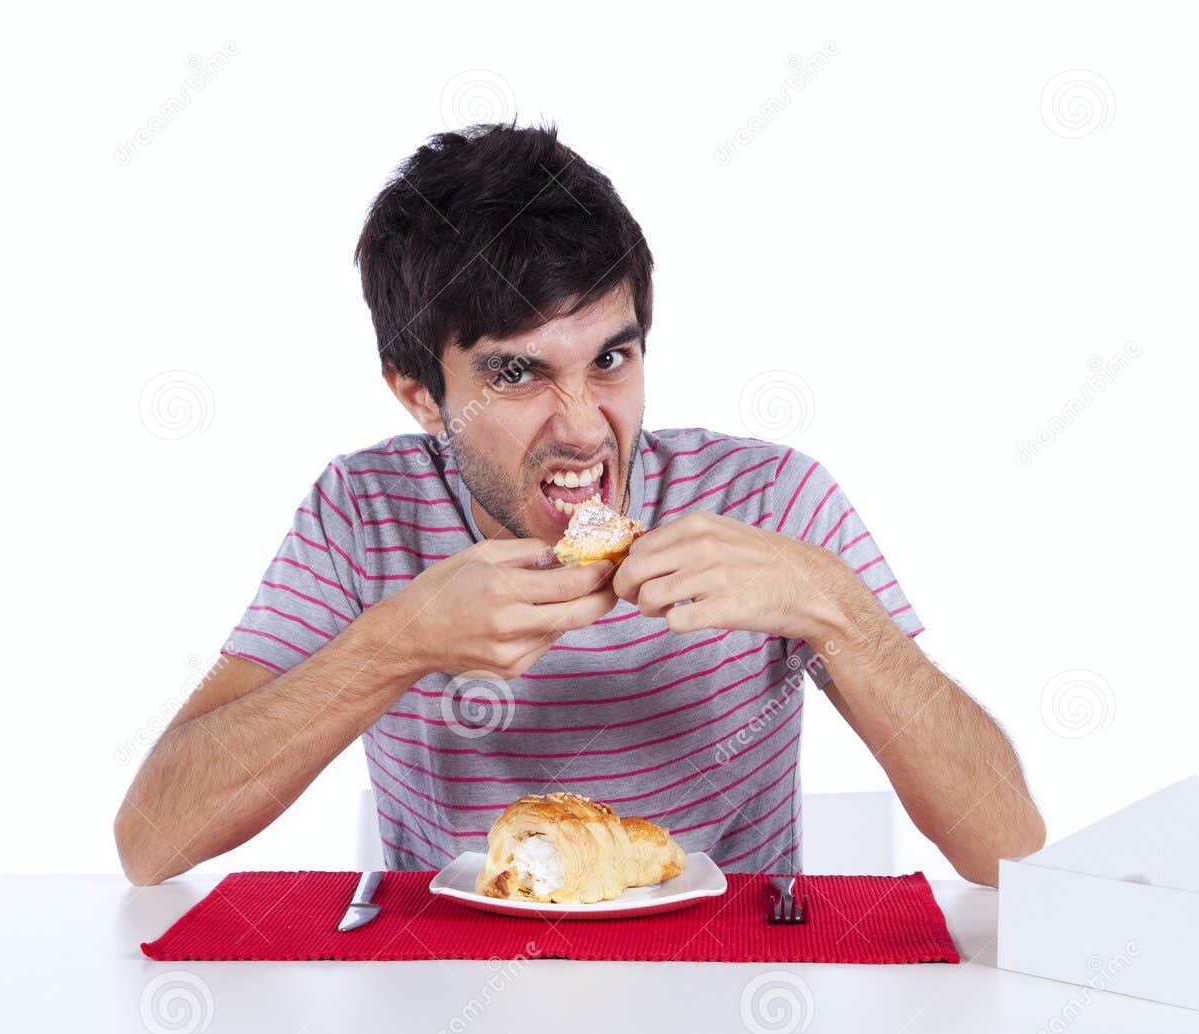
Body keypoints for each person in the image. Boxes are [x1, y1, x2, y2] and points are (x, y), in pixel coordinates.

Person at [115, 124, 1045, 887]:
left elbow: (1008, 849)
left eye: (610, 359)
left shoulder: (770, 499)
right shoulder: (366, 512)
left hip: (731, 1016)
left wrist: (832, 608)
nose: (583, 430)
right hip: (447, 1023)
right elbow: (150, 842)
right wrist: (393, 646)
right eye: (516, 373)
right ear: (418, 394)